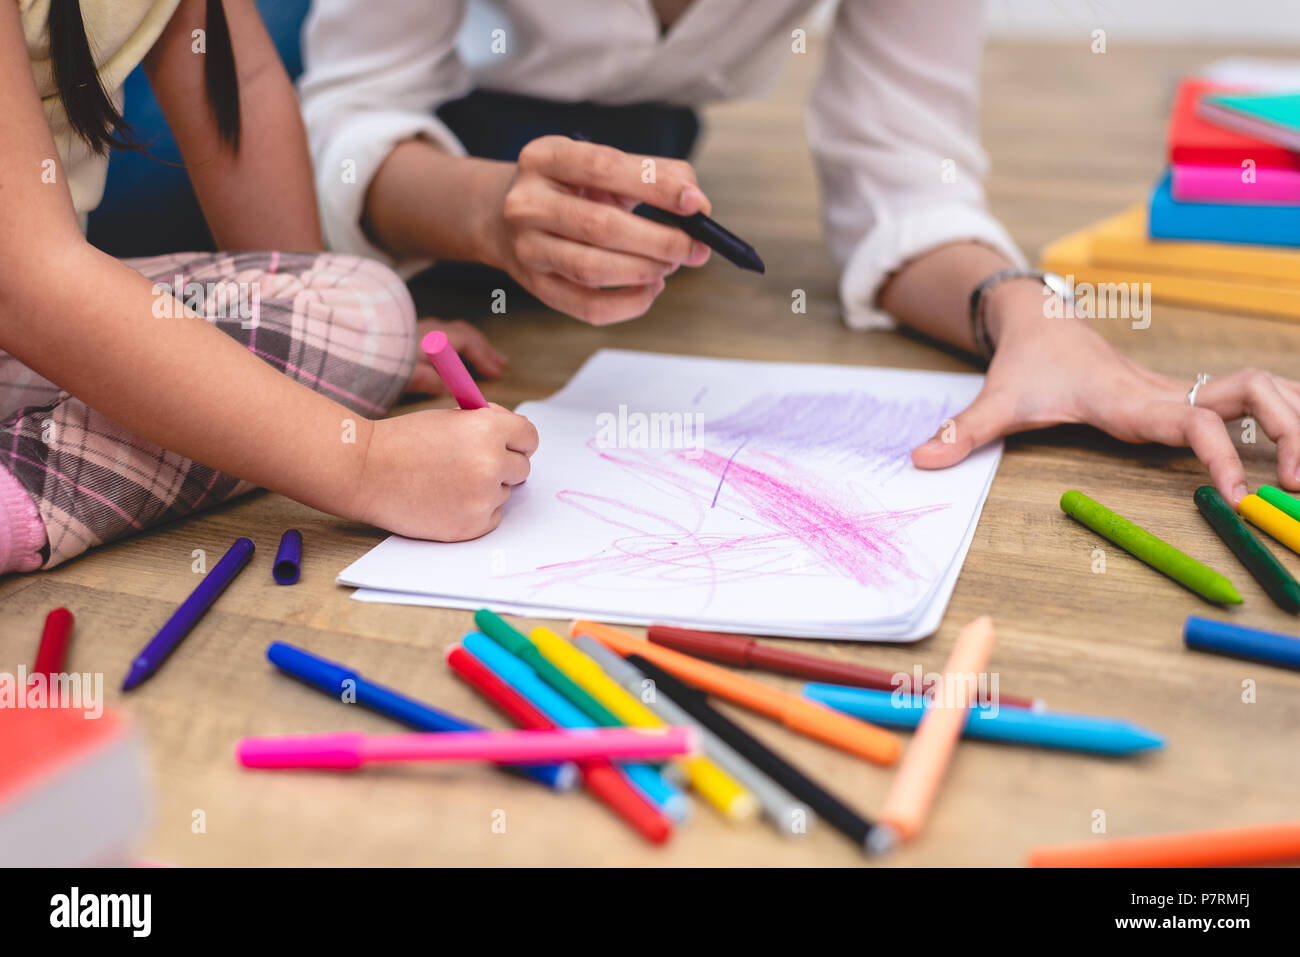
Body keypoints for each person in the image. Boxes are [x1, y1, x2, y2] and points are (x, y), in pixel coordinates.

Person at [299, 0, 1300, 507]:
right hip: (323, 117)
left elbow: (903, 175)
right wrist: (481, 211)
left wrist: (1023, 312)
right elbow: (345, 117)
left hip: (652, 138)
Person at [0, 0, 537, 575]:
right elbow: (28, 282)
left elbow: (241, 90)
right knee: (356, 334)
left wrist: (315, 325)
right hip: (26, 291)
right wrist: (365, 464)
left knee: (366, 310)